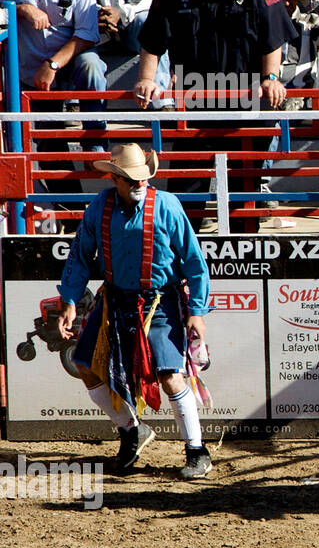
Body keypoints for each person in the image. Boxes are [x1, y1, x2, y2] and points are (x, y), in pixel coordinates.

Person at [56, 143, 213, 479]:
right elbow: (80, 254)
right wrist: (69, 300)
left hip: (160, 301)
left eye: (143, 177)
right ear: (115, 179)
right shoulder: (100, 207)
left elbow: (194, 262)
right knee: (84, 364)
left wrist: (196, 310)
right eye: (132, 179)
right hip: (115, 300)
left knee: (169, 375)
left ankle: (197, 449)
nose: (140, 183)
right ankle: (131, 429)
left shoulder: (167, 206)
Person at [134, 0, 296, 228]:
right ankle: (181, 256)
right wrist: (146, 78)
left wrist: (271, 77)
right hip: (195, 99)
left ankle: (245, 249)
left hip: (245, 99)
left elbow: (272, 38)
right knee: (188, 187)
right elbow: (152, 40)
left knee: (244, 189)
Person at [0, 0, 107, 166]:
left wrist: (53, 64)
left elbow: (88, 34)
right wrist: (21, 9)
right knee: (49, 143)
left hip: (68, 59)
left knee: (92, 65)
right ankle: (62, 201)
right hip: (29, 69)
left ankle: (95, 143)